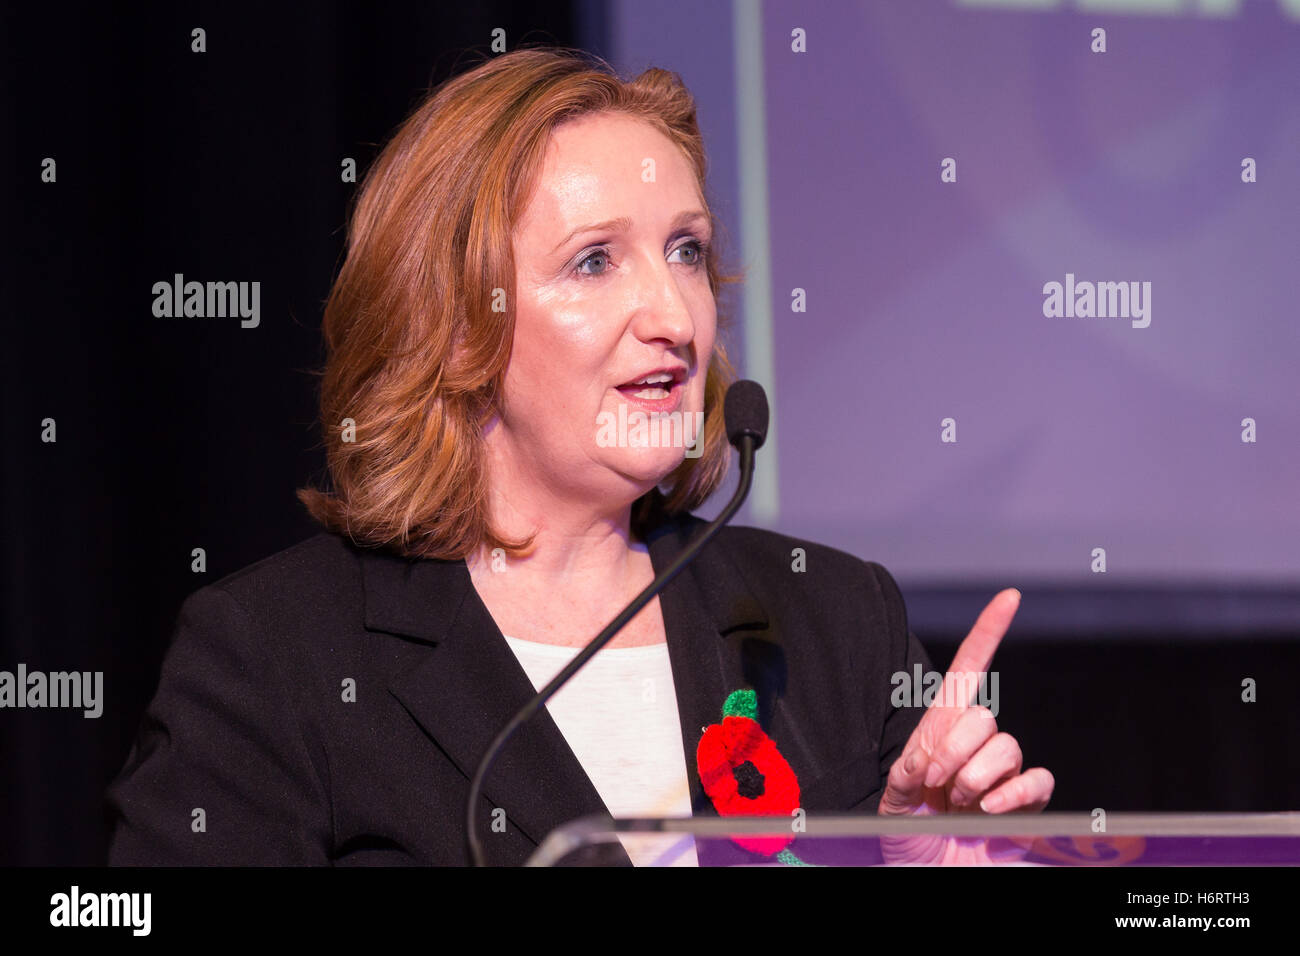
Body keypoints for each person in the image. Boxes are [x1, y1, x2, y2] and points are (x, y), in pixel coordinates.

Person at [105, 46, 1052, 867]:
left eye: (687, 251)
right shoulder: (275, 656)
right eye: (595, 261)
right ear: (454, 325)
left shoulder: (837, 621)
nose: (675, 318)